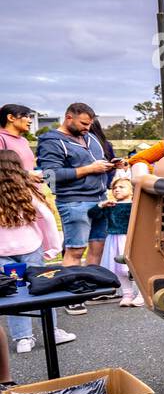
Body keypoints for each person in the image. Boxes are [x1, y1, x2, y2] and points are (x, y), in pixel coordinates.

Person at [35, 102, 116, 315]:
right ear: (68, 117)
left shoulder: (90, 137)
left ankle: (90, 289)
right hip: (74, 201)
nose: (87, 128)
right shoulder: (51, 141)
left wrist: (111, 165)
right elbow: (50, 176)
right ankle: (72, 295)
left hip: (100, 198)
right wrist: (89, 169)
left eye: (89, 124)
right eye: (83, 123)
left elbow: (99, 162)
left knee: (97, 246)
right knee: (75, 249)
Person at [0, 149, 75, 355]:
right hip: (32, 247)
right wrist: (54, 246)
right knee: (43, 288)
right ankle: (52, 331)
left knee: (13, 293)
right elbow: (49, 218)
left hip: (2, 254)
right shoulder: (28, 190)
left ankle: (23, 338)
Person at [98, 172, 141, 307]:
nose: (117, 189)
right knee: (118, 268)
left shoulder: (135, 205)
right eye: (115, 188)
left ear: (132, 191)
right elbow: (93, 215)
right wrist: (101, 206)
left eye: (122, 187)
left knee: (134, 267)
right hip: (114, 239)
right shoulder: (110, 206)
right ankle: (127, 293)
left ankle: (141, 294)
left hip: (129, 238)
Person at [0, 104, 38, 173]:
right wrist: (28, 174)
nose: (30, 121)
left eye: (30, 117)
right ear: (11, 117)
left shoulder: (24, 141)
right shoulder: (1, 138)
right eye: (26, 116)